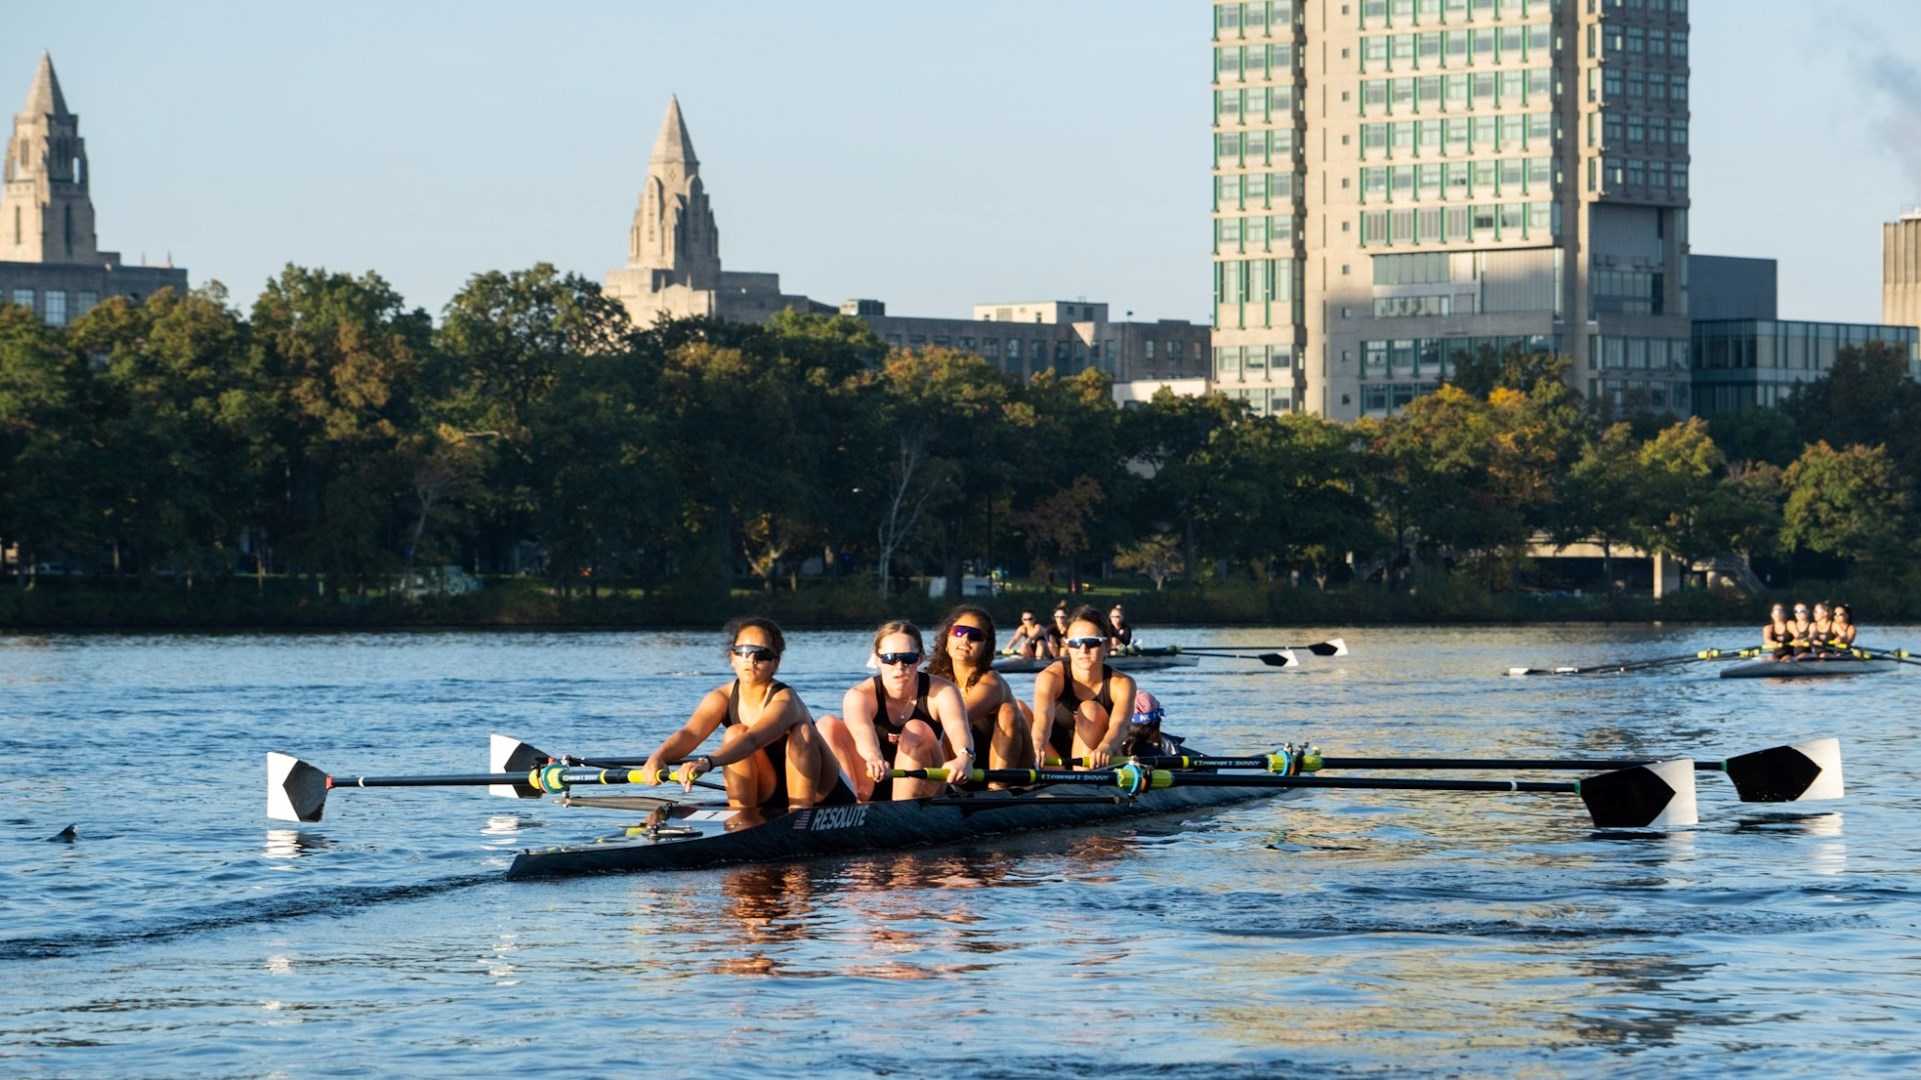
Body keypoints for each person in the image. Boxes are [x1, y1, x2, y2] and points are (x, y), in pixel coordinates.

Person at [640, 616, 855, 809]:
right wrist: (658, 757)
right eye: (743, 652)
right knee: (735, 732)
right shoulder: (721, 697)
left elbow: (752, 740)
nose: (751, 660)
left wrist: (707, 762)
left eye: (762, 654)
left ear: (775, 663)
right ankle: (741, 816)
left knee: (803, 732)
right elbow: (690, 734)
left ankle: (799, 816)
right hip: (768, 790)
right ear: (732, 658)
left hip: (824, 794)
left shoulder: (785, 700)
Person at [817, 620, 976, 801]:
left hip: (925, 784)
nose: (899, 667)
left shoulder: (943, 691)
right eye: (890, 658)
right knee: (826, 725)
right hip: (872, 779)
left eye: (908, 659)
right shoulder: (859, 695)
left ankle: (904, 807)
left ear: (921, 658)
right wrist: (874, 757)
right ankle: (852, 806)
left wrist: (965, 758)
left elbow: (958, 728)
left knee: (916, 728)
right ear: (877, 659)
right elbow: (862, 732)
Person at [927, 604, 1037, 771]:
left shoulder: (992, 683)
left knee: (1010, 711)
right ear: (946, 641)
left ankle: (997, 788)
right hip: (963, 769)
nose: (965, 639)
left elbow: (961, 715)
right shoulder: (935, 681)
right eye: (958, 632)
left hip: (1013, 770)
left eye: (975, 635)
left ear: (986, 647)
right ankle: (945, 786)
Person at [1030, 605, 1138, 770]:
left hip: (1095, 758)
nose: (1083, 650)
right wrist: (1037, 743)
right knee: (1017, 709)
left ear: (1107, 645)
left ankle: (1081, 782)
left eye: (1092, 642)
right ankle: (1000, 785)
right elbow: (1043, 717)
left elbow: (1120, 726)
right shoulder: (1050, 677)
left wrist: (1106, 746)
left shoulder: (1122, 683)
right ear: (1067, 646)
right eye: (1075, 643)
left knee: (1090, 709)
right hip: (1053, 760)